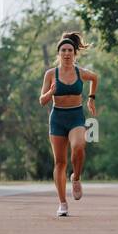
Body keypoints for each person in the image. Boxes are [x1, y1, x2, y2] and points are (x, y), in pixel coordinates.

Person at [39, 31, 98, 217]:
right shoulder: (50, 74)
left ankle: (77, 177)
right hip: (57, 118)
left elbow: (95, 78)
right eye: (63, 50)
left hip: (76, 116)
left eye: (70, 50)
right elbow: (42, 101)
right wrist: (50, 92)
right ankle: (62, 203)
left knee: (79, 147)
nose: (66, 53)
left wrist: (91, 99)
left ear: (74, 53)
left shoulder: (80, 72)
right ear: (59, 53)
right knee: (60, 162)